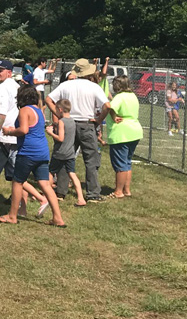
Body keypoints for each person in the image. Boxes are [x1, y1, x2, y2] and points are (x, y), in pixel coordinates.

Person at [0, 60, 47, 213]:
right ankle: (18, 200)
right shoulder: (17, 86)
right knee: (16, 172)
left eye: (1, 70)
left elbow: (1, 112)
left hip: (5, 134)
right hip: (16, 135)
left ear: (9, 72)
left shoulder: (2, 88)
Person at [0, 86, 65, 227]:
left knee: (17, 182)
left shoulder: (25, 110)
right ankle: (58, 218)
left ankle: (12, 216)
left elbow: (23, 130)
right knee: (45, 184)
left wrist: (9, 131)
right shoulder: (39, 111)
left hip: (28, 152)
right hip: (42, 152)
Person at [45, 59, 111, 202]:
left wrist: (58, 114)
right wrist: (99, 121)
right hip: (87, 124)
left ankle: (61, 192)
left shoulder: (66, 85)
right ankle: (93, 193)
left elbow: (48, 99)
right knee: (91, 159)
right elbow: (107, 105)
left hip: (68, 123)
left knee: (64, 157)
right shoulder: (94, 87)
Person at [106, 76, 143, 199]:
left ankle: (118, 191)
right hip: (135, 131)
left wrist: (113, 116)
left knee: (120, 164)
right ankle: (127, 190)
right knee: (127, 162)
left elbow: (110, 107)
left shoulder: (120, 97)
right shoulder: (133, 96)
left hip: (122, 133)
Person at [47, 99, 86, 208]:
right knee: (72, 174)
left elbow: (60, 138)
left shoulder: (61, 121)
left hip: (60, 153)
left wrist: (50, 133)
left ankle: (47, 195)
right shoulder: (73, 121)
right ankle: (81, 198)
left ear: (60, 109)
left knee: (50, 173)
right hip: (70, 153)